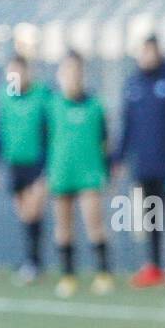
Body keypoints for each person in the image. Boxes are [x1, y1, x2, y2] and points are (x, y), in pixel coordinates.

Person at [112, 35, 165, 288]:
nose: (147, 56)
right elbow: (127, 125)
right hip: (145, 166)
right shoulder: (133, 84)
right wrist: (118, 158)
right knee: (151, 219)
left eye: (151, 51)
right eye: (144, 51)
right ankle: (153, 266)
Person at [47, 50, 113, 298]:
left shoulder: (95, 105)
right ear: (60, 74)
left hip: (89, 174)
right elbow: (45, 140)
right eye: (67, 71)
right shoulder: (51, 105)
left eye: (76, 71)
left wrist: (107, 171)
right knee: (63, 227)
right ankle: (68, 275)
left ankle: (103, 273)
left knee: (94, 223)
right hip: (61, 173)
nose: (71, 76)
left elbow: (105, 141)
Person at [0, 54, 50, 285]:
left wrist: (48, 166)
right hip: (15, 164)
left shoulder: (42, 95)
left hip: (37, 163)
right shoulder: (4, 97)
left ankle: (33, 261)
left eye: (19, 72)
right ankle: (32, 260)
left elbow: (50, 130)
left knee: (33, 211)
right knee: (24, 214)